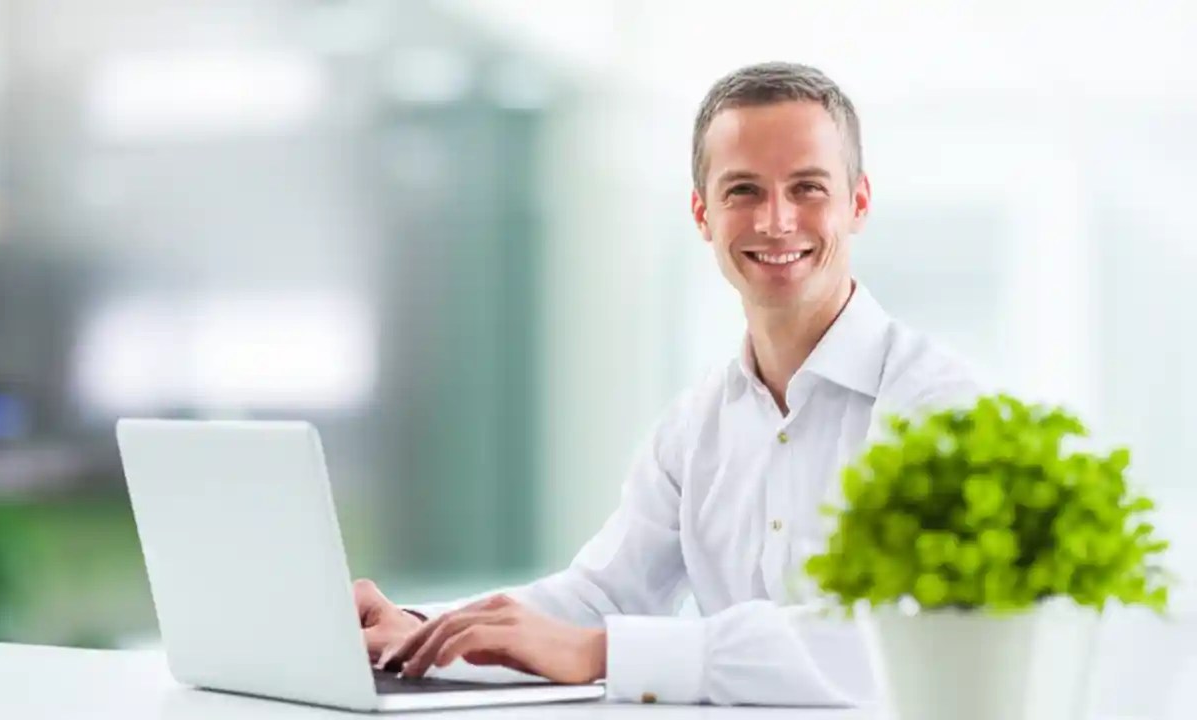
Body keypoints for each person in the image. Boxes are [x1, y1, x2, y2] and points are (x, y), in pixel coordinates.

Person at [354, 61, 981, 706]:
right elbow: (599, 596)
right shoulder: (698, 423)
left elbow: (895, 637)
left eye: (807, 188)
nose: (774, 220)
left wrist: (602, 654)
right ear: (702, 214)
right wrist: (418, 630)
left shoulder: (934, 405)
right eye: (742, 190)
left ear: (858, 204)